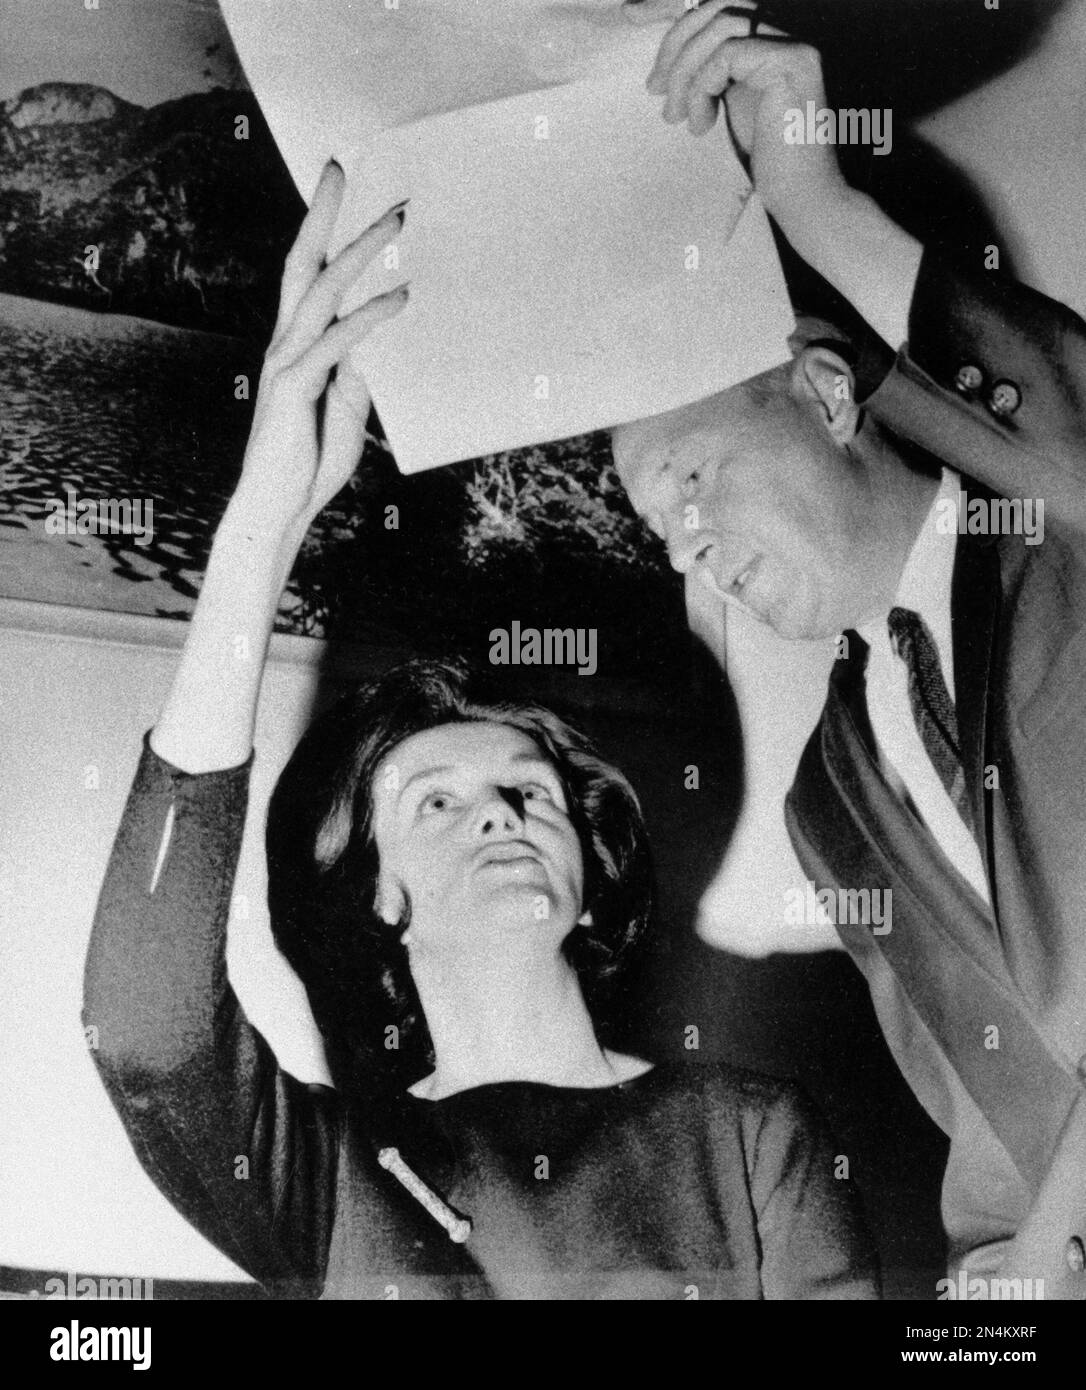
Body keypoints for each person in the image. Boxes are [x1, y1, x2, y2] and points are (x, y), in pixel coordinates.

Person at [83, 160, 876, 1300]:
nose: (502, 809)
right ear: (377, 897)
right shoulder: (343, 1172)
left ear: (591, 867)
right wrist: (266, 517)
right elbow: (144, 1027)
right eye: (435, 805)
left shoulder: (750, 1133)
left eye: (531, 788)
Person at [614, 0, 1086, 1296]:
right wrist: (994, 1272)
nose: (681, 546)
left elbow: (1025, 379)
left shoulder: (1054, 519)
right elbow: (986, 1095)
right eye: (656, 526)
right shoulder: (829, 793)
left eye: (690, 478)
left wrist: (809, 194)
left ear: (826, 393)